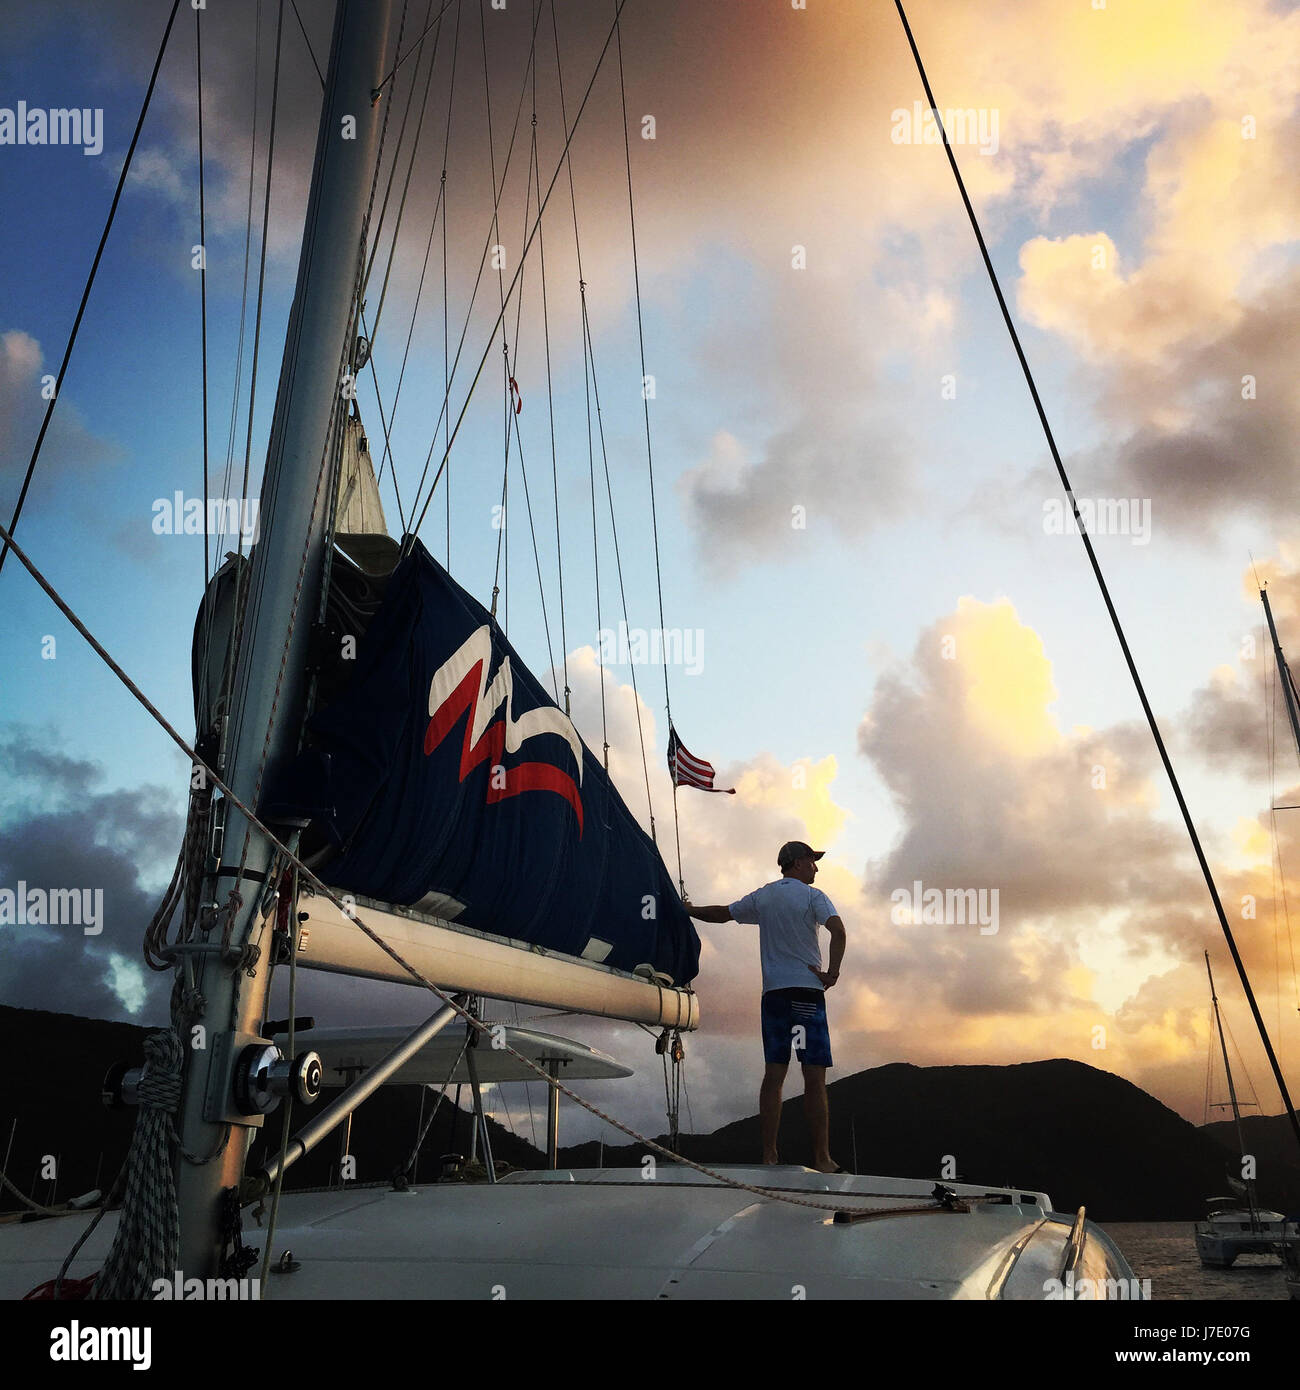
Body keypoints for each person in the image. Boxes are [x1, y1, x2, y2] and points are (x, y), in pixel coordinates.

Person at [685, 841, 846, 1172]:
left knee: (775, 1074)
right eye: (812, 861)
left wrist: (689, 909)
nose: (816, 867)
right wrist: (833, 972)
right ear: (798, 863)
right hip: (807, 994)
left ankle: (769, 1155)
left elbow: (722, 914)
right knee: (814, 1077)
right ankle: (822, 1159)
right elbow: (838, 931)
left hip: (774, 995)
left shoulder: (764, 896)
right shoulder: (815, 897)